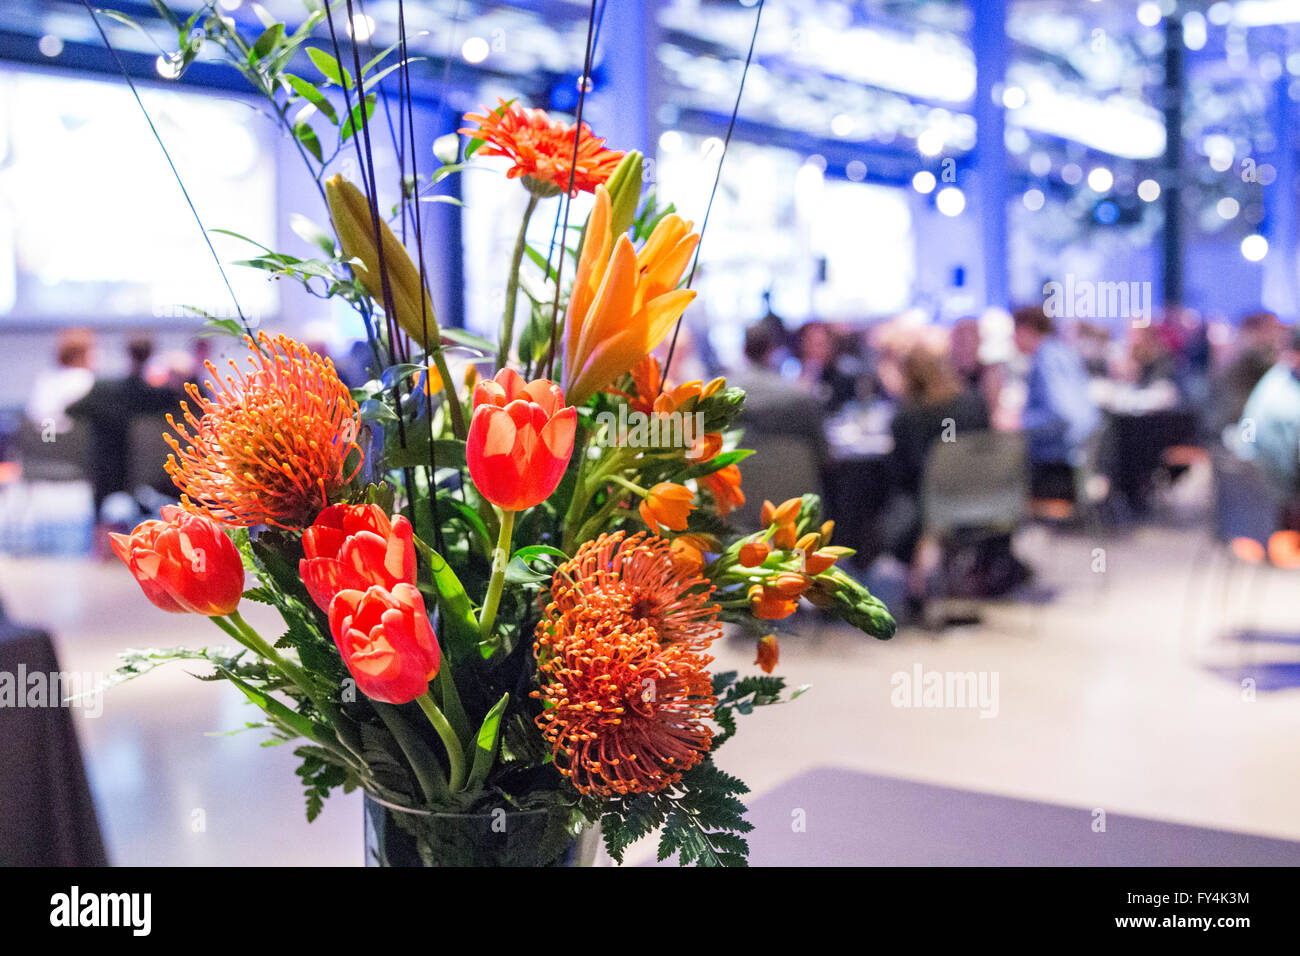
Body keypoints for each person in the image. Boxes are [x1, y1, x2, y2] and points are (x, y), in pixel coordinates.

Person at [68, 335, 183, 524]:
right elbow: (189, 403)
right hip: (148, 476)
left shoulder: (103, 391)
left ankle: (101, 534)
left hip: (105, 473)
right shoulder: (159, 397)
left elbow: (71, 410)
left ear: (128, 354)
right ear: (150, 355)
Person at [1011, 306, 1099, 501]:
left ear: (1026, 330)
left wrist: (1020, 423)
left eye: (1014, 333)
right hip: (1081, 458)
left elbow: (1061, 415)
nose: (1012, 340)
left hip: (1059, 465)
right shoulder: (1063, 352)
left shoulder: (1045, 360)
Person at [1238, 323, 1300, 522]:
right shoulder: (1286, 401)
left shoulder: (1275, 377)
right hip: (1281, 498)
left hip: (1258, 491)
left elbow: (1245, 429)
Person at [26, 328, 95, 435]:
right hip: (73, 442)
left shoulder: (46, 378)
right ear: (86, 354)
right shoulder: (85, 379)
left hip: (44, 441)